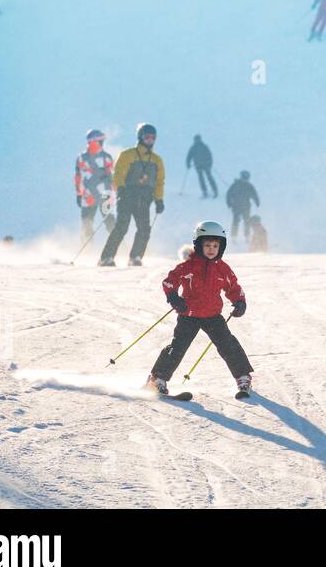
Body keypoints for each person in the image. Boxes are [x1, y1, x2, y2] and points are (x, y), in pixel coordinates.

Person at [145, 221, 253, 398]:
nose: (211, 249)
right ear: (198, 245)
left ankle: (243, 376)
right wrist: (174, 298)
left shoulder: (222, 269)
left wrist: (239, 302)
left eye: (215, 245)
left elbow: (233, 287)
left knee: (228, 345)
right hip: (189, 314)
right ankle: (157, 379)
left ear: (221, 246)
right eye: (207, 245)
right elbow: (169, 282)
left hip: (213, 315)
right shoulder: (187, 266)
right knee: (178, 347)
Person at [99, 123, 165, 266]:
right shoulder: (128, 155)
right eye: (147, 137)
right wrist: (121, 189)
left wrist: (159, 200)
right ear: (140, 137)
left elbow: (159, 182)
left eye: (153, 138)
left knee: (144, 229)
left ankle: (135, 257)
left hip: (145, 199)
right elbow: (118, 174)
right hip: (128, 196)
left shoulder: (157, 160)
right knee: (122, 226)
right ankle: (106, 257)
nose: (150, 140)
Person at [75, 129, 117, 243]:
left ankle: (87, 248)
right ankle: (120, 245)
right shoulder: (106, 157)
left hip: (88, 195)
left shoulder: (81, 158)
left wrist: (78, 194)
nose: (102, 143)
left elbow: (78, 177)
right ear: (95, 141)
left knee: (87, 222)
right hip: (102, 194)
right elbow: (112, 176)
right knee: (107, 221)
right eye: (101, 140)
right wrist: (117, 191)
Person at [226, 170, 260, 241]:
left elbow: (228, 194)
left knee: (236, 221)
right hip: (245, 206)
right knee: (245, 221)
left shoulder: (235, 184)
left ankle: (235, 236)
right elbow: (254, 194)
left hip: (237, 206)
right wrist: (257, 202)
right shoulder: (248, 185)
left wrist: (229, 203)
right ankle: (245, 236)